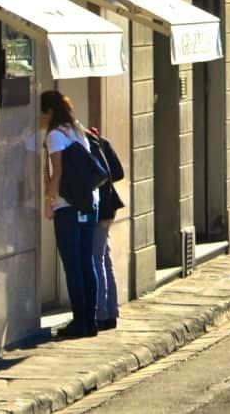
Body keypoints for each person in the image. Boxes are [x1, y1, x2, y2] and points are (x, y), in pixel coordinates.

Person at [41, 90, 108, 338]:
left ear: (48, 112)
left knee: (72, 264)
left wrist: (49, 201)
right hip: (90, 202)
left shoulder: (55, 136)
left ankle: (80, 320)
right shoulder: (77, 132)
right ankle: (89, 319)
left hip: (67, 206)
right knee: (86, 260)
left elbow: (57, 172)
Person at [87, 125, 124, 331]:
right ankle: (110, 311)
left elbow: (109, 174)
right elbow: (118, 172)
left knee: (96, 258)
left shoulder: (89, 146)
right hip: (109, 205)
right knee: (104, 258)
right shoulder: (101, 142)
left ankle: (101, 312)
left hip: (101, 207)